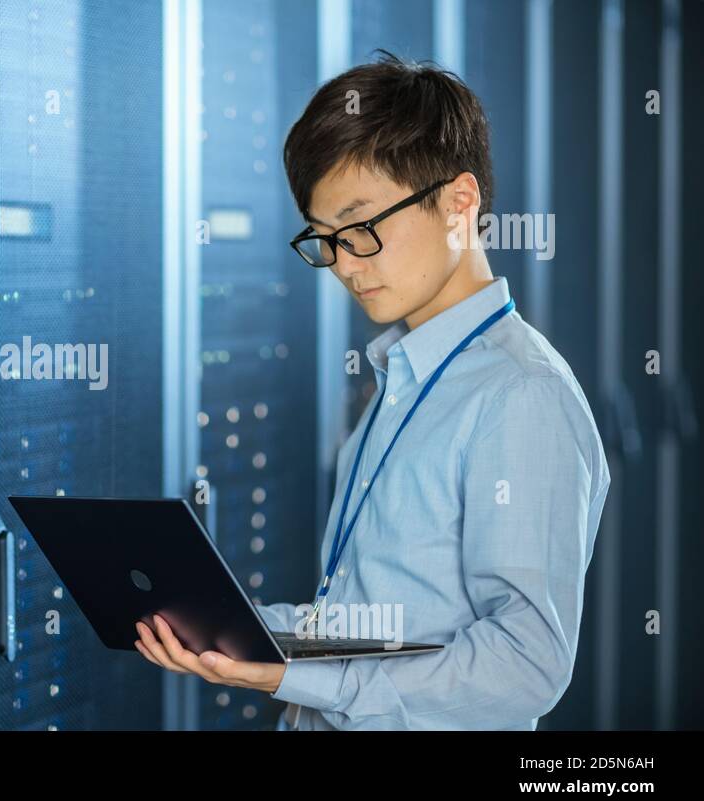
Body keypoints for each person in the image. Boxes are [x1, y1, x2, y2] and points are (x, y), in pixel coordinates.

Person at [133, 52, 610, 730]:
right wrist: (240, 633)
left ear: (458, 202)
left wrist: (313, 679)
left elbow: (525, 663)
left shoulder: (520, 394)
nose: (345, 266)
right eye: (326, 241)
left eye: (361, 230)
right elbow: (380, 618)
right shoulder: (401, 380)